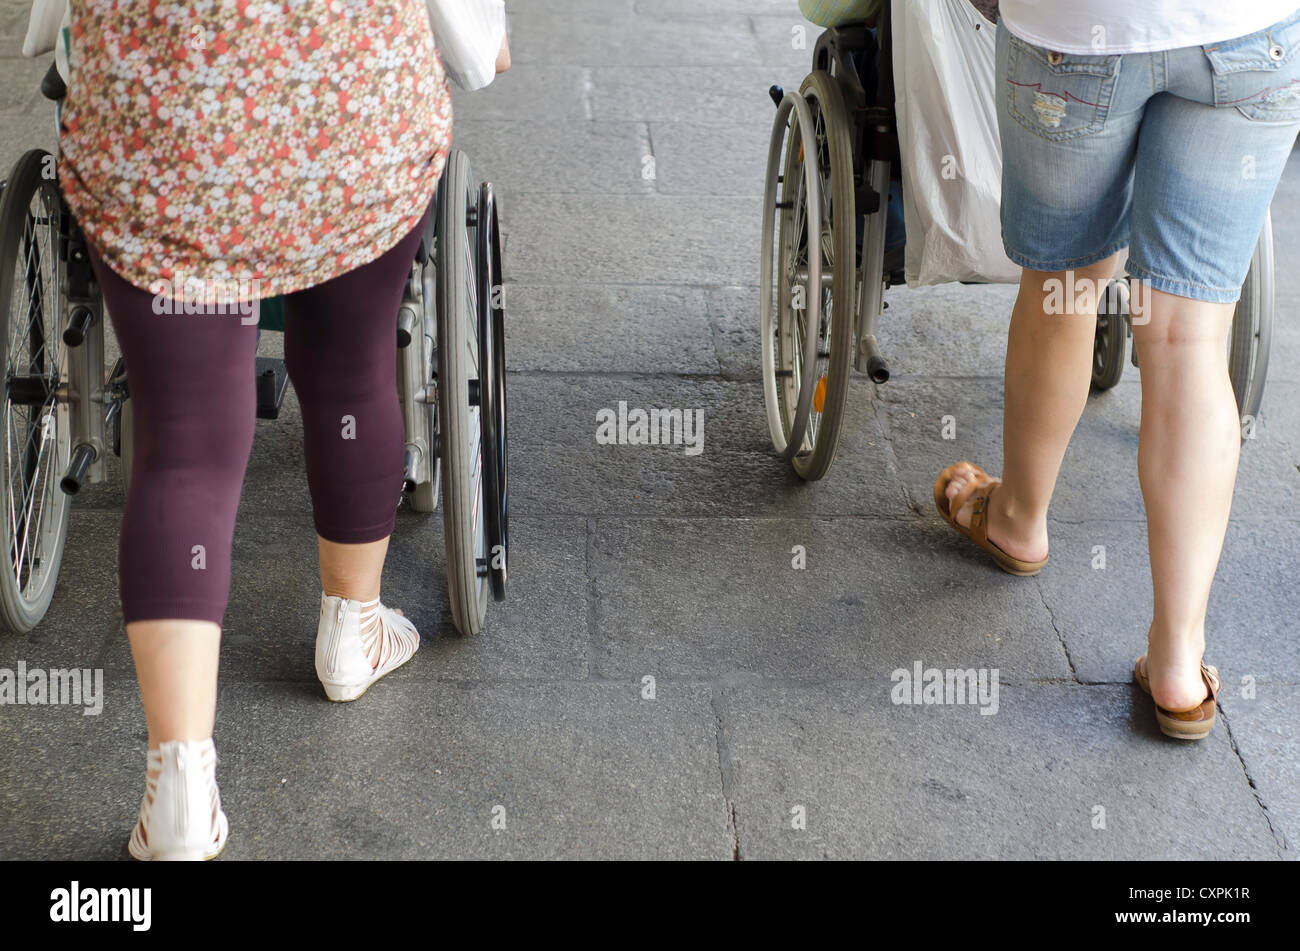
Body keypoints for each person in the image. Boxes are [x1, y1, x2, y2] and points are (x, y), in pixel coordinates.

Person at [55, 2, 507, 859]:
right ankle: (353, 627)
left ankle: (181, 785)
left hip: (168, 129)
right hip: (350, 125)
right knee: (352, 364)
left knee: (183, 447)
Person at [935, 0, 1300, 739]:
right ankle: (1177, 659)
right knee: (1188, 337)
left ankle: (1016, 519)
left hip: (1073, 31)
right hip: (1248, 34)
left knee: (1068, 283)